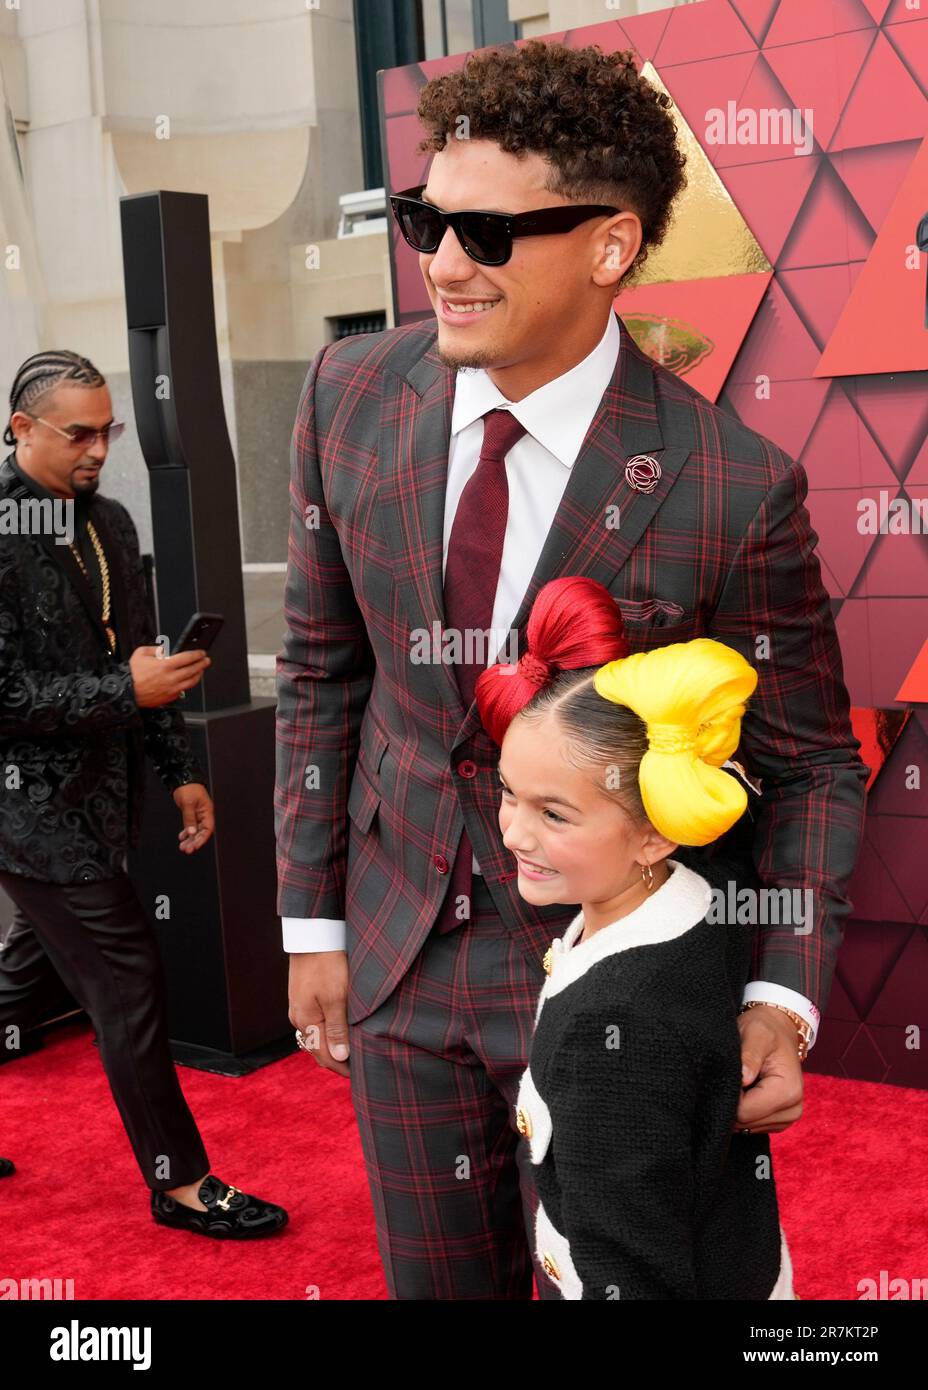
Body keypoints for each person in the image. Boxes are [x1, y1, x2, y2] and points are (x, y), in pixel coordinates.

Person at [276, 41, 868, 1298]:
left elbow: (812, 764)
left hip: (622, 981)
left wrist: (780, 994)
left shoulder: (730, 482)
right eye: (425, 219)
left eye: (486, 232)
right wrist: (311, 920)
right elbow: (324, 672)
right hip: (394, 958)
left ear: (609, 244)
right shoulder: (347, 394)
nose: (440, 262)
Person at [0, 350, 287, 1239]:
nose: (97, 449)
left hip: (103, 800)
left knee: (25, 978)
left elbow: (136, 663)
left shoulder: (113, 525)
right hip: (29, 817)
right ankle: (183, 1182)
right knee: (127, 984)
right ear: (20, 430)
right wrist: (133, 694)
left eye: (107, 429)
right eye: (77, 432)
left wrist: (181, 768)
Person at [477, 575, 796, 1299]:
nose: (514, 832)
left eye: (554, 815)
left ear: (654, 834)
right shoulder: (692, 903)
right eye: (506, 792)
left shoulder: (609, 1024)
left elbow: (631, 1267)